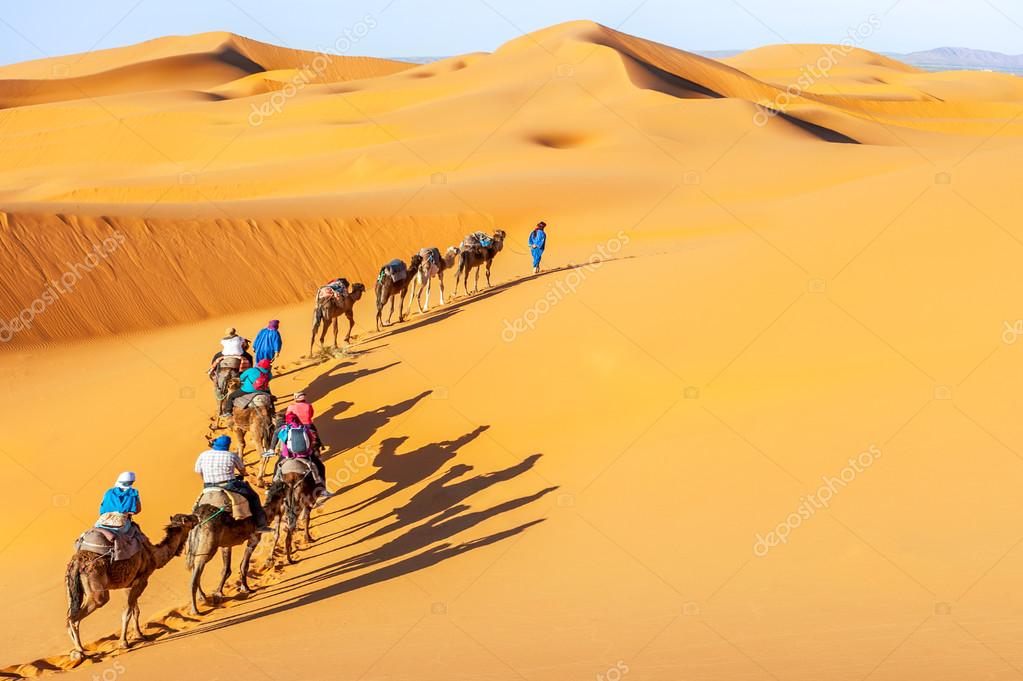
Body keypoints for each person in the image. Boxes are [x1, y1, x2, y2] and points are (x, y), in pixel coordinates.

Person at [195, 436, 270, 531]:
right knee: (254, 497)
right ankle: (261, 525)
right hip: (228, 485)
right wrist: (243, 474)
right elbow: (242, 470)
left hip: (208, 485)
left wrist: (206, 481)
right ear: (228, 445)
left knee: (197, 504)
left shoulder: (203, 454)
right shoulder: (231, 455)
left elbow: (198, 471)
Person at [274, 412, 326, 493]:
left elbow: (282, 443)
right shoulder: (304, 428)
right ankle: (322, 488)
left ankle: (273, 487)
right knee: (321, 466)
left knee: (277, 466)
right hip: (305, 455)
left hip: (287, 455)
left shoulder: (284, 429)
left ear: (287, 420)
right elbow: (311, 440)